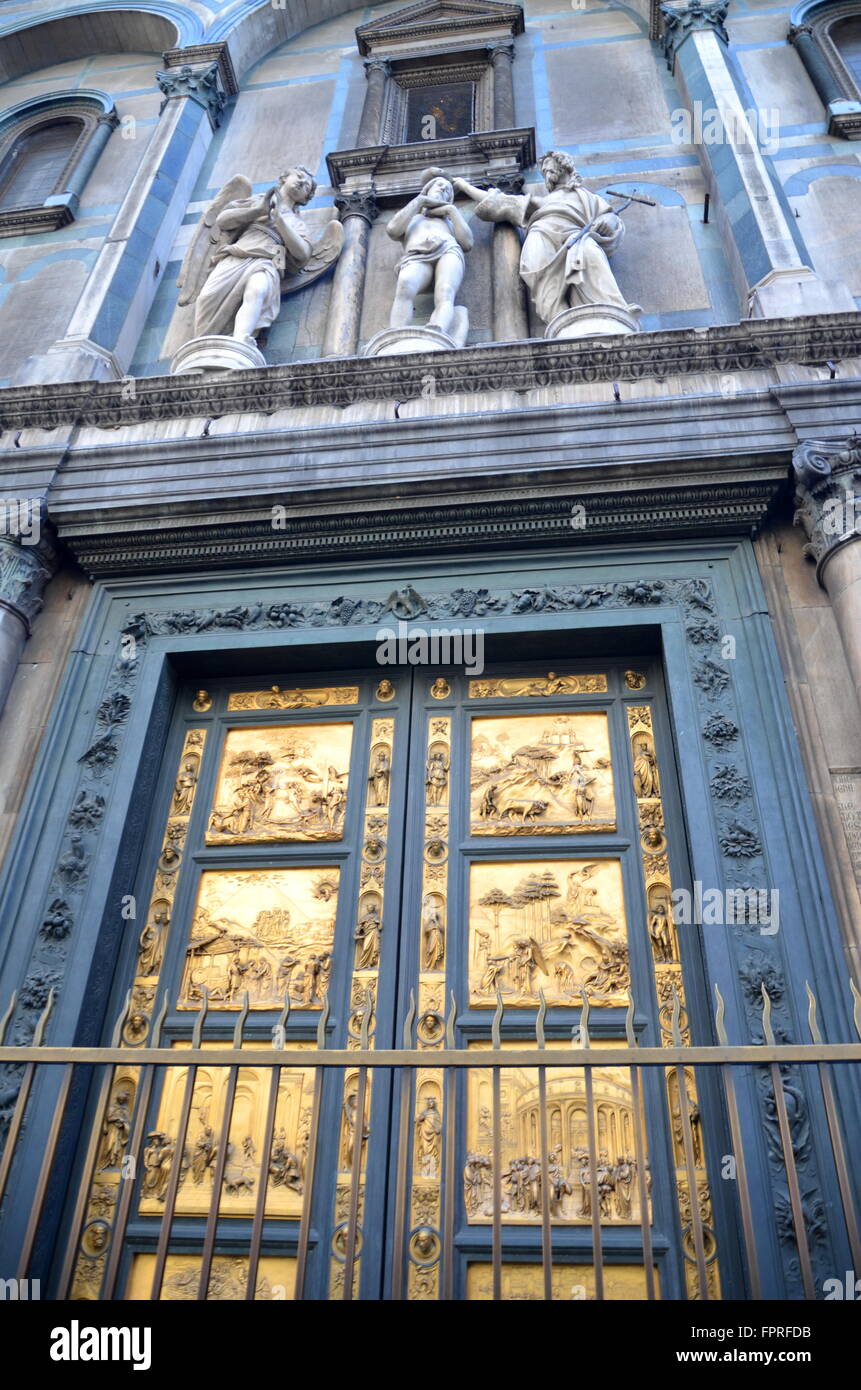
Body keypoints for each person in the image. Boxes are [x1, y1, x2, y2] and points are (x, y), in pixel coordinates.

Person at [454, 150, 635, 325]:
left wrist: (608, 221)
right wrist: (464, 186)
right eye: (544, 170)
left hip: (577, 239)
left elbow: (610, 217)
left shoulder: (588, 198)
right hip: (540, 237)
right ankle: (561, 321)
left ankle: (612, 309)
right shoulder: (543, 202)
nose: (545, 172)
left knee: (591, 253)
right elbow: (499, 202)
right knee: (543, 283)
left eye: (549, 167)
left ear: (563, 166)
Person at [193, 167, 317, 343]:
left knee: (257, 290)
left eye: (307, 186)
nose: (302, 182)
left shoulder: (298, 224)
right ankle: (204, 343)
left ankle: (241, 339)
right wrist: (258, 211)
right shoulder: (256, 202)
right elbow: (223, 221)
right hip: (237, 255)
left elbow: (303, 254)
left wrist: (280, 221)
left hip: (266, 261)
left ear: (306, 198)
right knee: (207, 296)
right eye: (299, 177)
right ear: (284, 177)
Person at [386, 168, 473, 343]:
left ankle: (438, 330)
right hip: (416, 255)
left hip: (448, 250)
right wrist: (420, 201)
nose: (443, 189)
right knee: (405, 285)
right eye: (439, 185)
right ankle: (395, 335)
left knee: (446, 290)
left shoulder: (448, 219)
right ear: (427, 189)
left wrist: (451, 211)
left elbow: (468, 242)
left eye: (448, 190)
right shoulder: (413, 216)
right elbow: (393, 230)